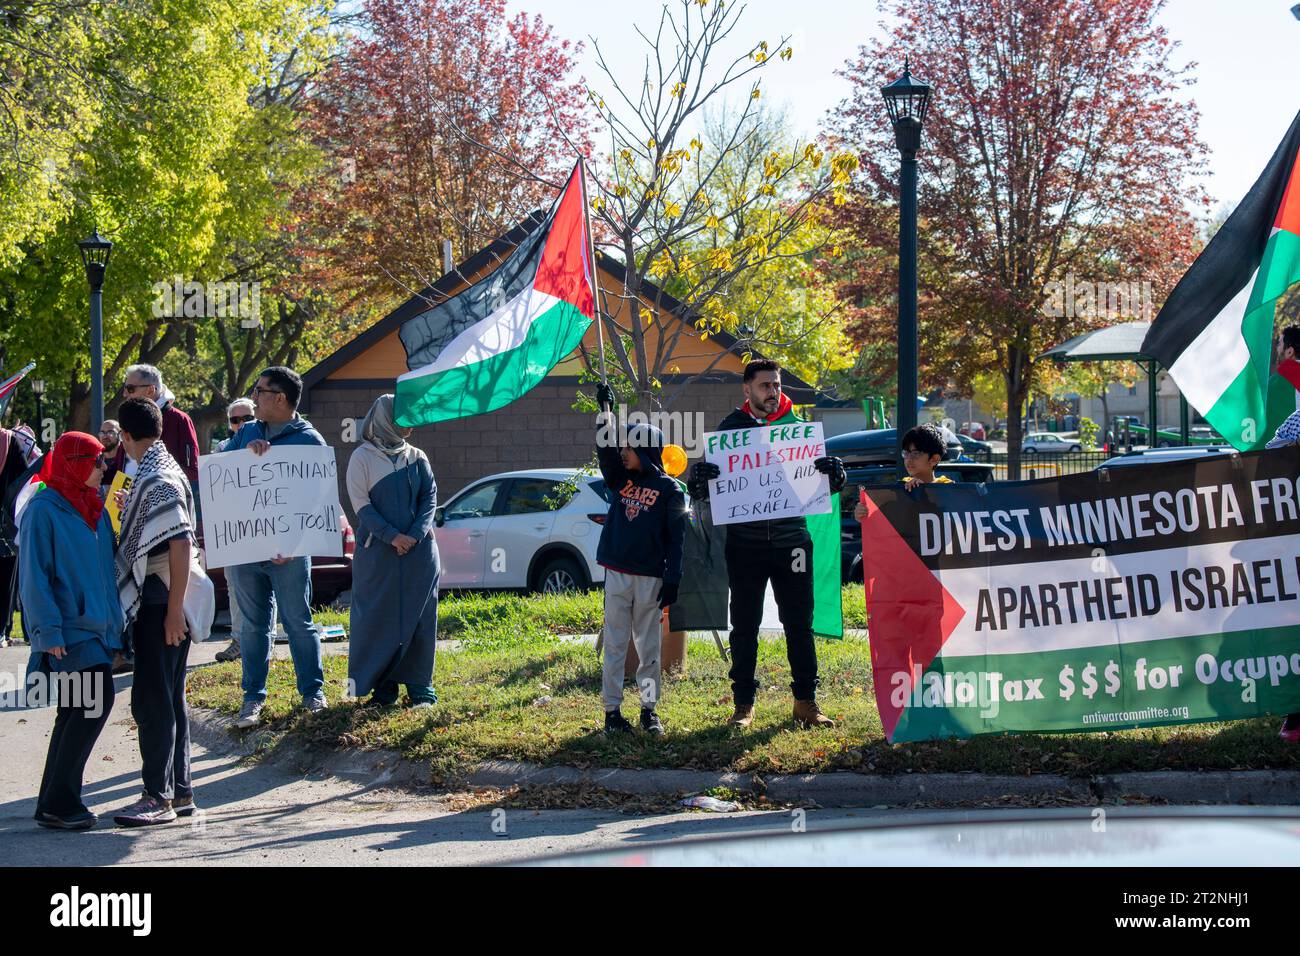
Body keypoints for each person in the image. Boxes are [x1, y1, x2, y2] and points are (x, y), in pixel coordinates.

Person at [687, 359, 845, 729]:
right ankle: (743, 705)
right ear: (747, 390)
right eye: (764, 386)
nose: (773, 392)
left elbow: (825, 488)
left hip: (793, 542)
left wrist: (836, 475)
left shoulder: (800, 431)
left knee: (799, 625)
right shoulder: (731, 430)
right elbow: (700, 491)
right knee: (744, 626)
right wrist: (700, 477)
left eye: (776, 385)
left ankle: (806, 702)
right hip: (746, 544)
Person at [20, 432, 122, 830]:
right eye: (98, 461)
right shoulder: (42, 509)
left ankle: (53, 803)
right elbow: (34, 577)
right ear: (76, 462)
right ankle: (60, 802)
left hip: (94, 626)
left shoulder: (91, 504)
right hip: (68, 629)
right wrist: (47, 633)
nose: (104, 468)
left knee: (76, 710)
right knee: (94, 702)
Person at [110, 398, 200, 826]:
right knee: (169, 697)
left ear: (126, 436)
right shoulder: (160, 468)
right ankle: (180, 792)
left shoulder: (157, 478)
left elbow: (181, 543)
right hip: (165, 599)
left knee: (153, 700)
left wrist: (174, 611)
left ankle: (157, 797)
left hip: (162, 601)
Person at [222, 366, 327, 728]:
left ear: (279, 398)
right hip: (246, 551)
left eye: (260, 391)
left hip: (289, 555)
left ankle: (313, 693)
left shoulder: (310, 441)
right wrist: (244, 457)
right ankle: (252, 699)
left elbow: (319, 502)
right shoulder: (246, 432)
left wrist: (296, 544)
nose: (254, 397)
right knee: (252, 628)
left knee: (297, 621)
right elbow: (223, 478)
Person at [593, 383, 686, 735]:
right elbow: (604, 452)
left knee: (649, 648)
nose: (623, 451)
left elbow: (677, 540)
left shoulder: (670, 490)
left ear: (647, 450)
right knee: (616, 645)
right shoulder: (620, 480)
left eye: (629, 446)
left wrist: (673, 578)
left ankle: (649, 710)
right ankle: (612, 712)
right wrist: (605, 415)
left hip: (651, 578)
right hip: (617, 573)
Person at [345, 394, 440, 709]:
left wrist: (413, 535)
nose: (410, 423)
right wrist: (391, 536)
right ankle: (382, 689)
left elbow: (429, 499)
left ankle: (420, 688)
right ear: (385, 419)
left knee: (420, 619)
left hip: (419, 554)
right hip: (379, 556)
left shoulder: (417, 457)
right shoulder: (362, 457)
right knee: (378, 618)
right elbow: (362, 506)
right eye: (403, 417)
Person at [214, 397, 264, 664]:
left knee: (267, 587)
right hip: (235, 530)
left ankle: (263, 641)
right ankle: (238, 641)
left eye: (247, 418)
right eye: (236, 420)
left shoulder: (270, 445)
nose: (242, 424)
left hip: (264, 529)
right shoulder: (223, 449)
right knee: (235, 585)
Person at [853, 422, 954, 522]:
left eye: (916, 453)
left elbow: (953, 524)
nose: (908, 459)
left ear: (934, 459)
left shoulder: (949, 489)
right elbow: (884, 521)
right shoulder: (901, 488)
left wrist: (924, 492)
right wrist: (863, 513)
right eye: (906, 453)